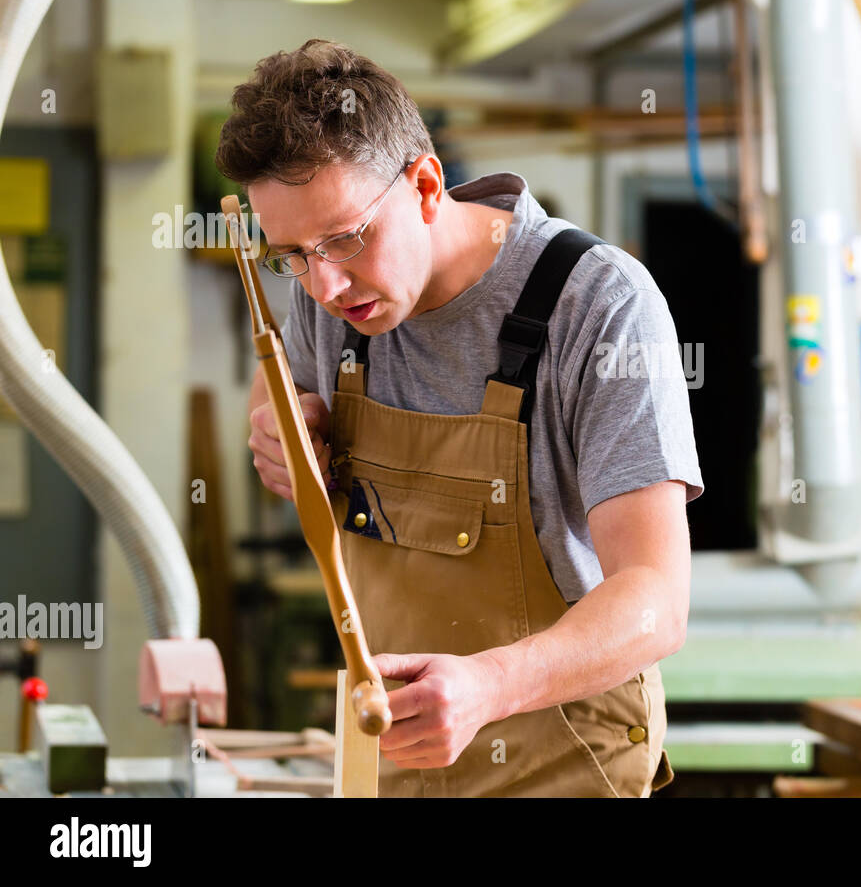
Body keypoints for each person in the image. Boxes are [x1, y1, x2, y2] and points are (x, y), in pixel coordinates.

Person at [216, 39, 703, 797]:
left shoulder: (601, 305)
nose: (325, 285)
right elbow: (276, 386)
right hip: (394, 758)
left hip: (557, 759)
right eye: (293, 256)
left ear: (426, 184)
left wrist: (490, 687)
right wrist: (280, 422)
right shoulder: (329, 291)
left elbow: (656, 599)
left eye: (347, 239)